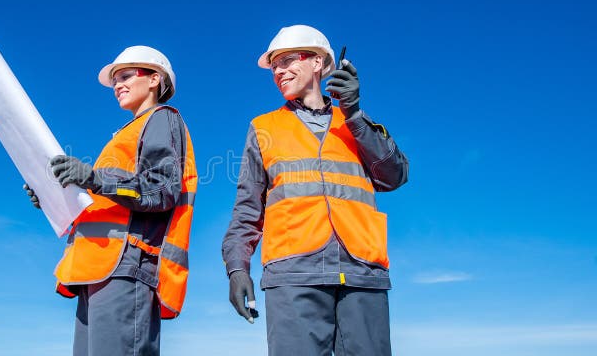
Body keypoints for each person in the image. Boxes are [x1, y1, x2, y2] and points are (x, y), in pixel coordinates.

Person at [221, 25, 408, 355]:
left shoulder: (354, 124)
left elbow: (394, 175)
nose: (278, 71)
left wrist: (354, 112)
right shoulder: (264, 128)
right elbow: (247, 210)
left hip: (362, 273)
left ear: (318, 62)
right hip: (293, 275)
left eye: (287, 60)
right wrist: (237, 268)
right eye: (274, 66)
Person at [25, 45, 197, 356]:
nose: (117, 84)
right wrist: (52, 198)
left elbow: (161, 190)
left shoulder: (161, 119)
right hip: (95, 269)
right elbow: (104, 202)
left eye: (126, 76)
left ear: (155, 79)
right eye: (115, 80)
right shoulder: (122, 137)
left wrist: (94, 179)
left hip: (125, 266)